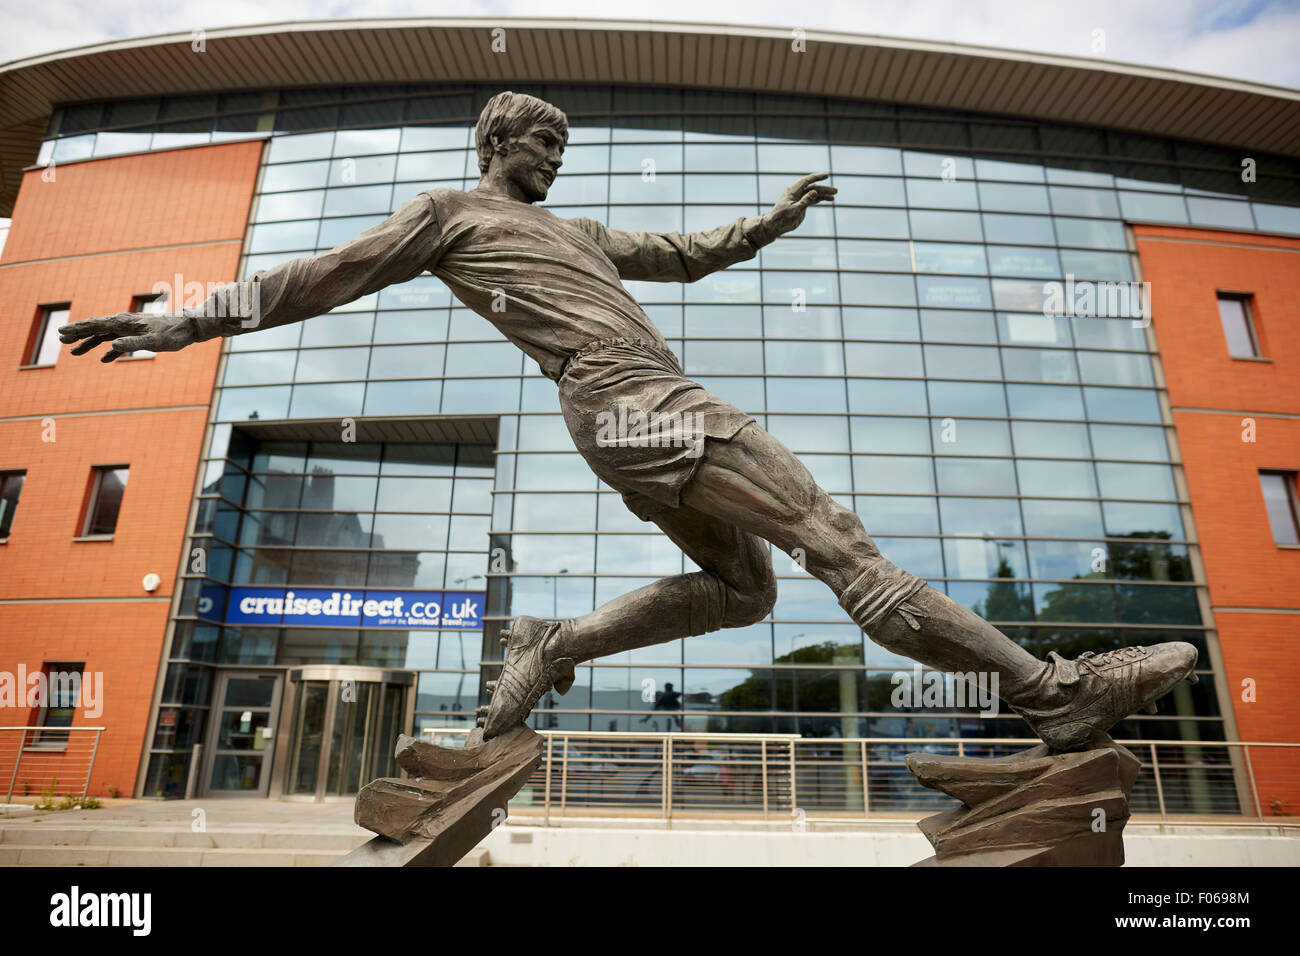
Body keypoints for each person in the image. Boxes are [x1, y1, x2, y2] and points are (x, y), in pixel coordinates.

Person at [60, 91, 1196, 752]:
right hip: (629, 403)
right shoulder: (446, 214)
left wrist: (773, 221)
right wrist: (188, 320)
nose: (555, 159)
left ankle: (551, 646)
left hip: (630, 414)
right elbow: (325, 275)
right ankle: (1050, 693)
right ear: (495, 144)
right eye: (540, 145)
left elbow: (687, 256)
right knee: (837, 540)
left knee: (748, 588)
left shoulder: (587, 235)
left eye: (563, 148)